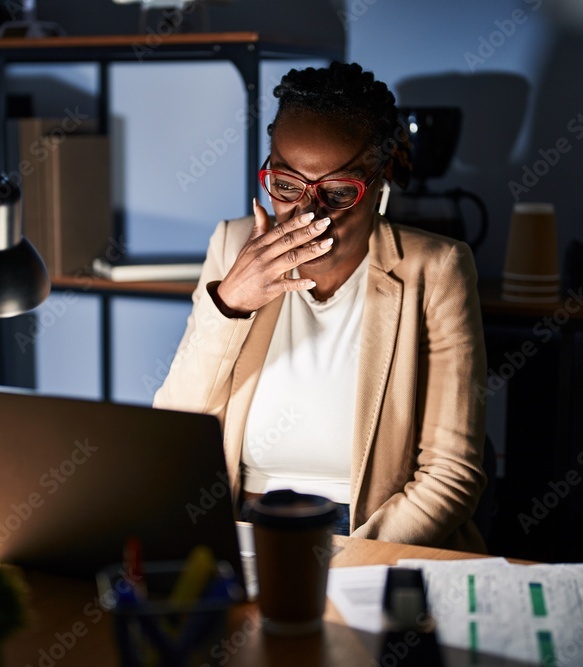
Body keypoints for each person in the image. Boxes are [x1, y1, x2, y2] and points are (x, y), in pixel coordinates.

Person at [154, 62, 487, 552]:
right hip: (246, 523)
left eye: (336, 193)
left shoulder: (436, 270)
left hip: (370, 533)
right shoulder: (232, 247)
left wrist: (352, 562)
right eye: (286, 185)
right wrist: (230, 303)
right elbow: (174, 428)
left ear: (380, 181)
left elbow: (452, 473)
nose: (308, 214)